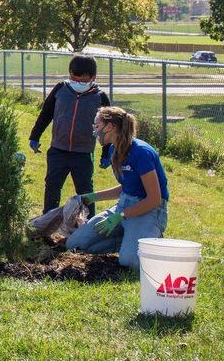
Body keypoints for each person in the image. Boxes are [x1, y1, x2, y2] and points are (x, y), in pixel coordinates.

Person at [66, 107, 169, 269]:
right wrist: (91, 197)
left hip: (149, 211)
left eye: (97, 126)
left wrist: (120, 216)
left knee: (129, 262)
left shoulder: (141, 153)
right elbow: (126, 187)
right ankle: (129, 237)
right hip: (124, 206)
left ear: (110, 127)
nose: (95, 131)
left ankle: (150, 237)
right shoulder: (114, 149)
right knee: (76, 244)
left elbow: (154, 199)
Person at [28, 54, 111, 214]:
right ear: (69, 74)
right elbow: (46, 114)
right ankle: (47, 222)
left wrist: (106, 153)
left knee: (85, 190)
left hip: (83, 153)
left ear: (93, 78)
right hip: (58, 150)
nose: (78, 83)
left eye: (83, 80)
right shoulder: (60, 89)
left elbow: (108, 128)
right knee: (52, 185)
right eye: (74, 79)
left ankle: (88, 225)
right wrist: (34, 136)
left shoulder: (99, 97)